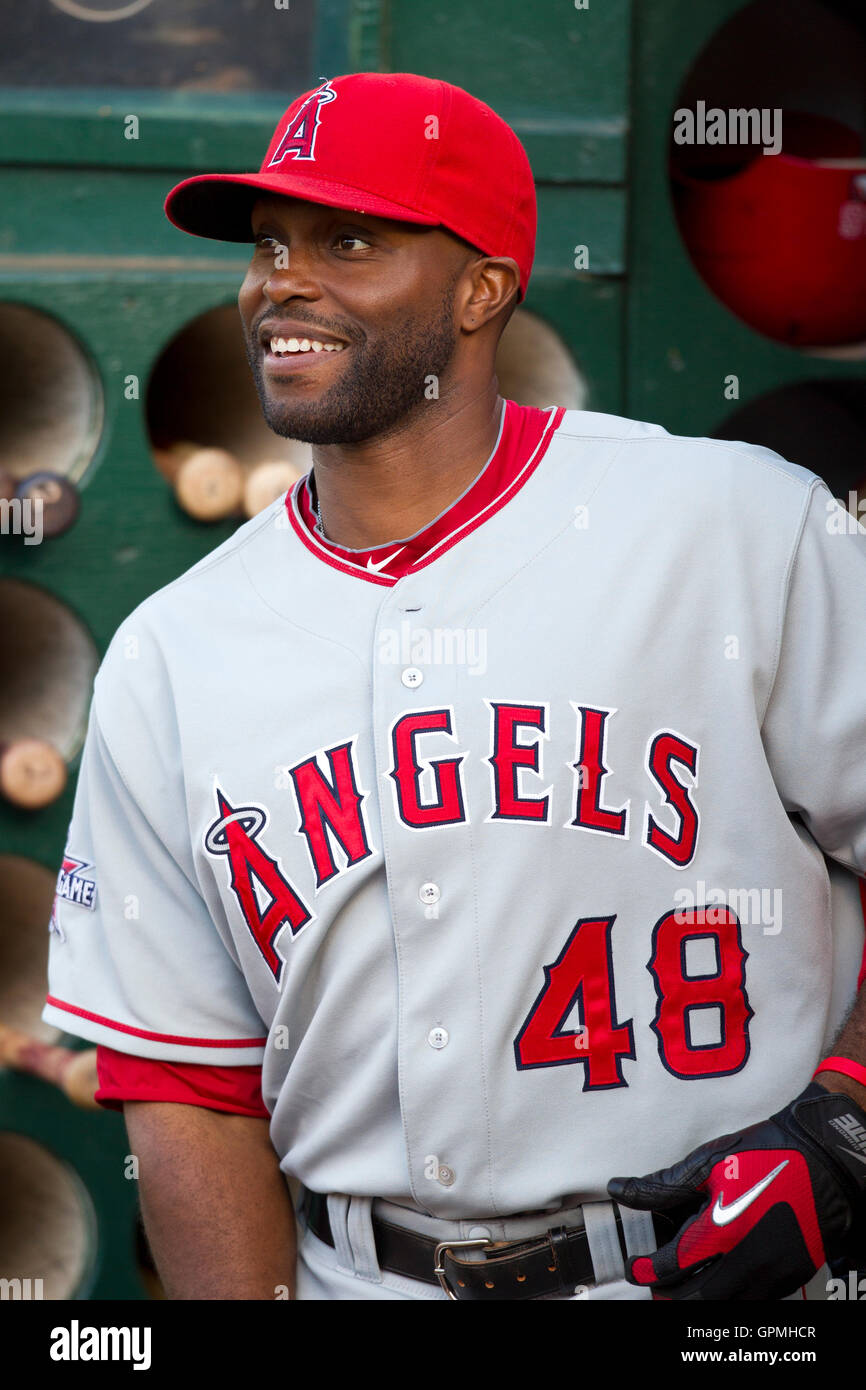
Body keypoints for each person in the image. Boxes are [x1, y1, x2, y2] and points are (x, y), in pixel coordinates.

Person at [44, 72, 866, 1302]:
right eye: (271, 245)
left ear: (484, 288)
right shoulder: (174, 647)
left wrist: (845, 1120)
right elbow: (190, 1092)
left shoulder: (735, 526)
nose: (282, 284)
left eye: (349, 241)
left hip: (713, 1284)